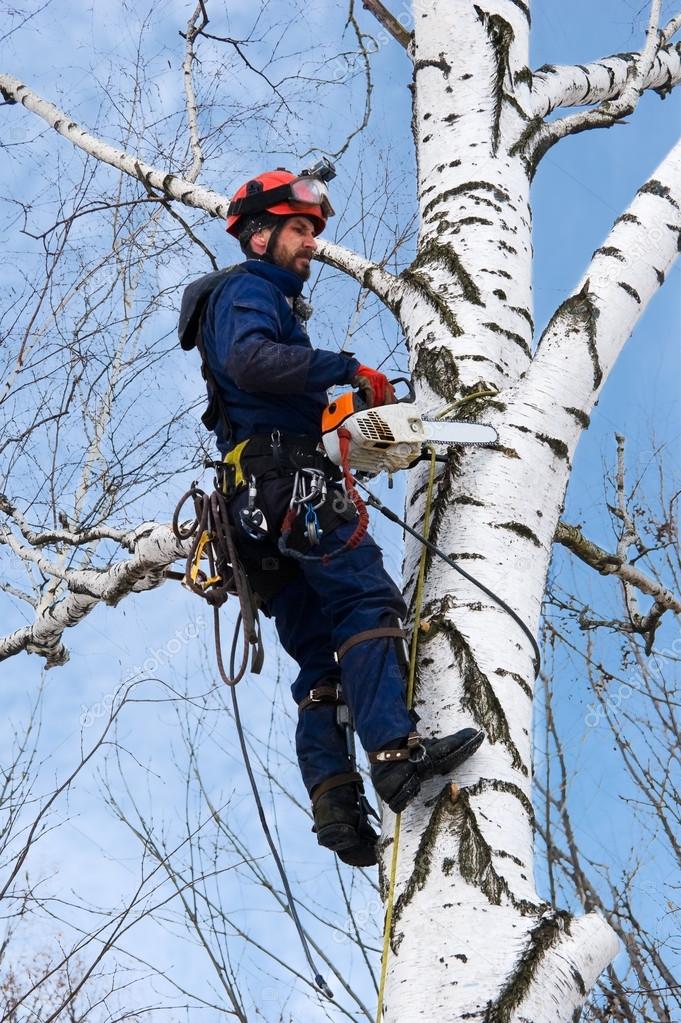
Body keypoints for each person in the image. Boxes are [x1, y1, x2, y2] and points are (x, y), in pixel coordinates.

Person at [178, 164, 484, 867]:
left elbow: (260, 389)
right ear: (257, 236)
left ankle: (337, 804)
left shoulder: (243, 300)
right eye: (297, 229)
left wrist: (345, 419)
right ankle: (394, 749)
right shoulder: (249, 291)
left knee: (320, 659)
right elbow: (255, 362)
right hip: (291, 491)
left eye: (312, 231)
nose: (310, 243)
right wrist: (343, 368)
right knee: (365, 600)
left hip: (253, 508)